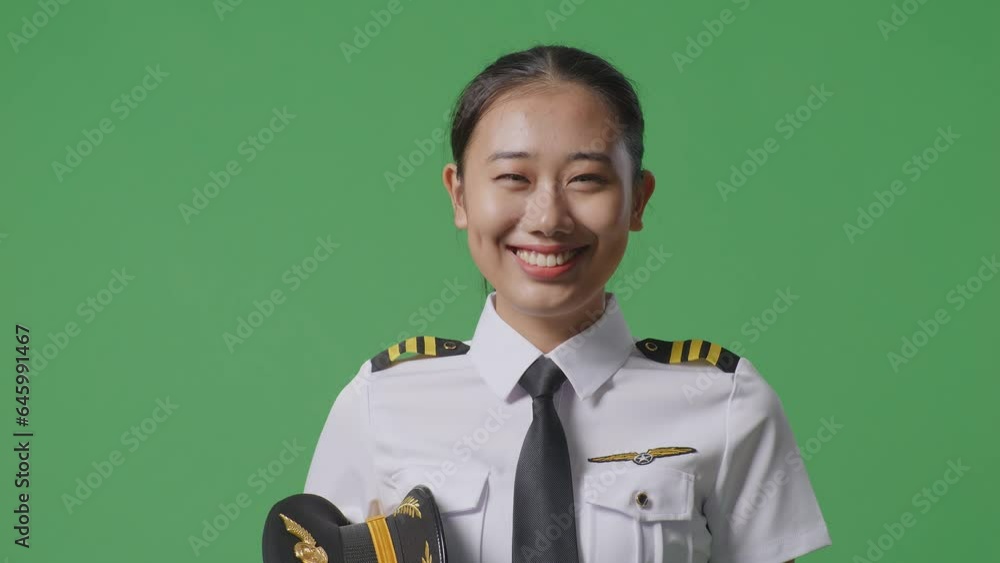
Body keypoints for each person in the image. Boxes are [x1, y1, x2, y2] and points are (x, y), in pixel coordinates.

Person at [304, 44, 831, 563]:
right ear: (459, 195)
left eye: (586, 180)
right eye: (513, 177)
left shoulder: (727, 402)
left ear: (638, 199)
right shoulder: (381, 403)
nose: (548, 217)